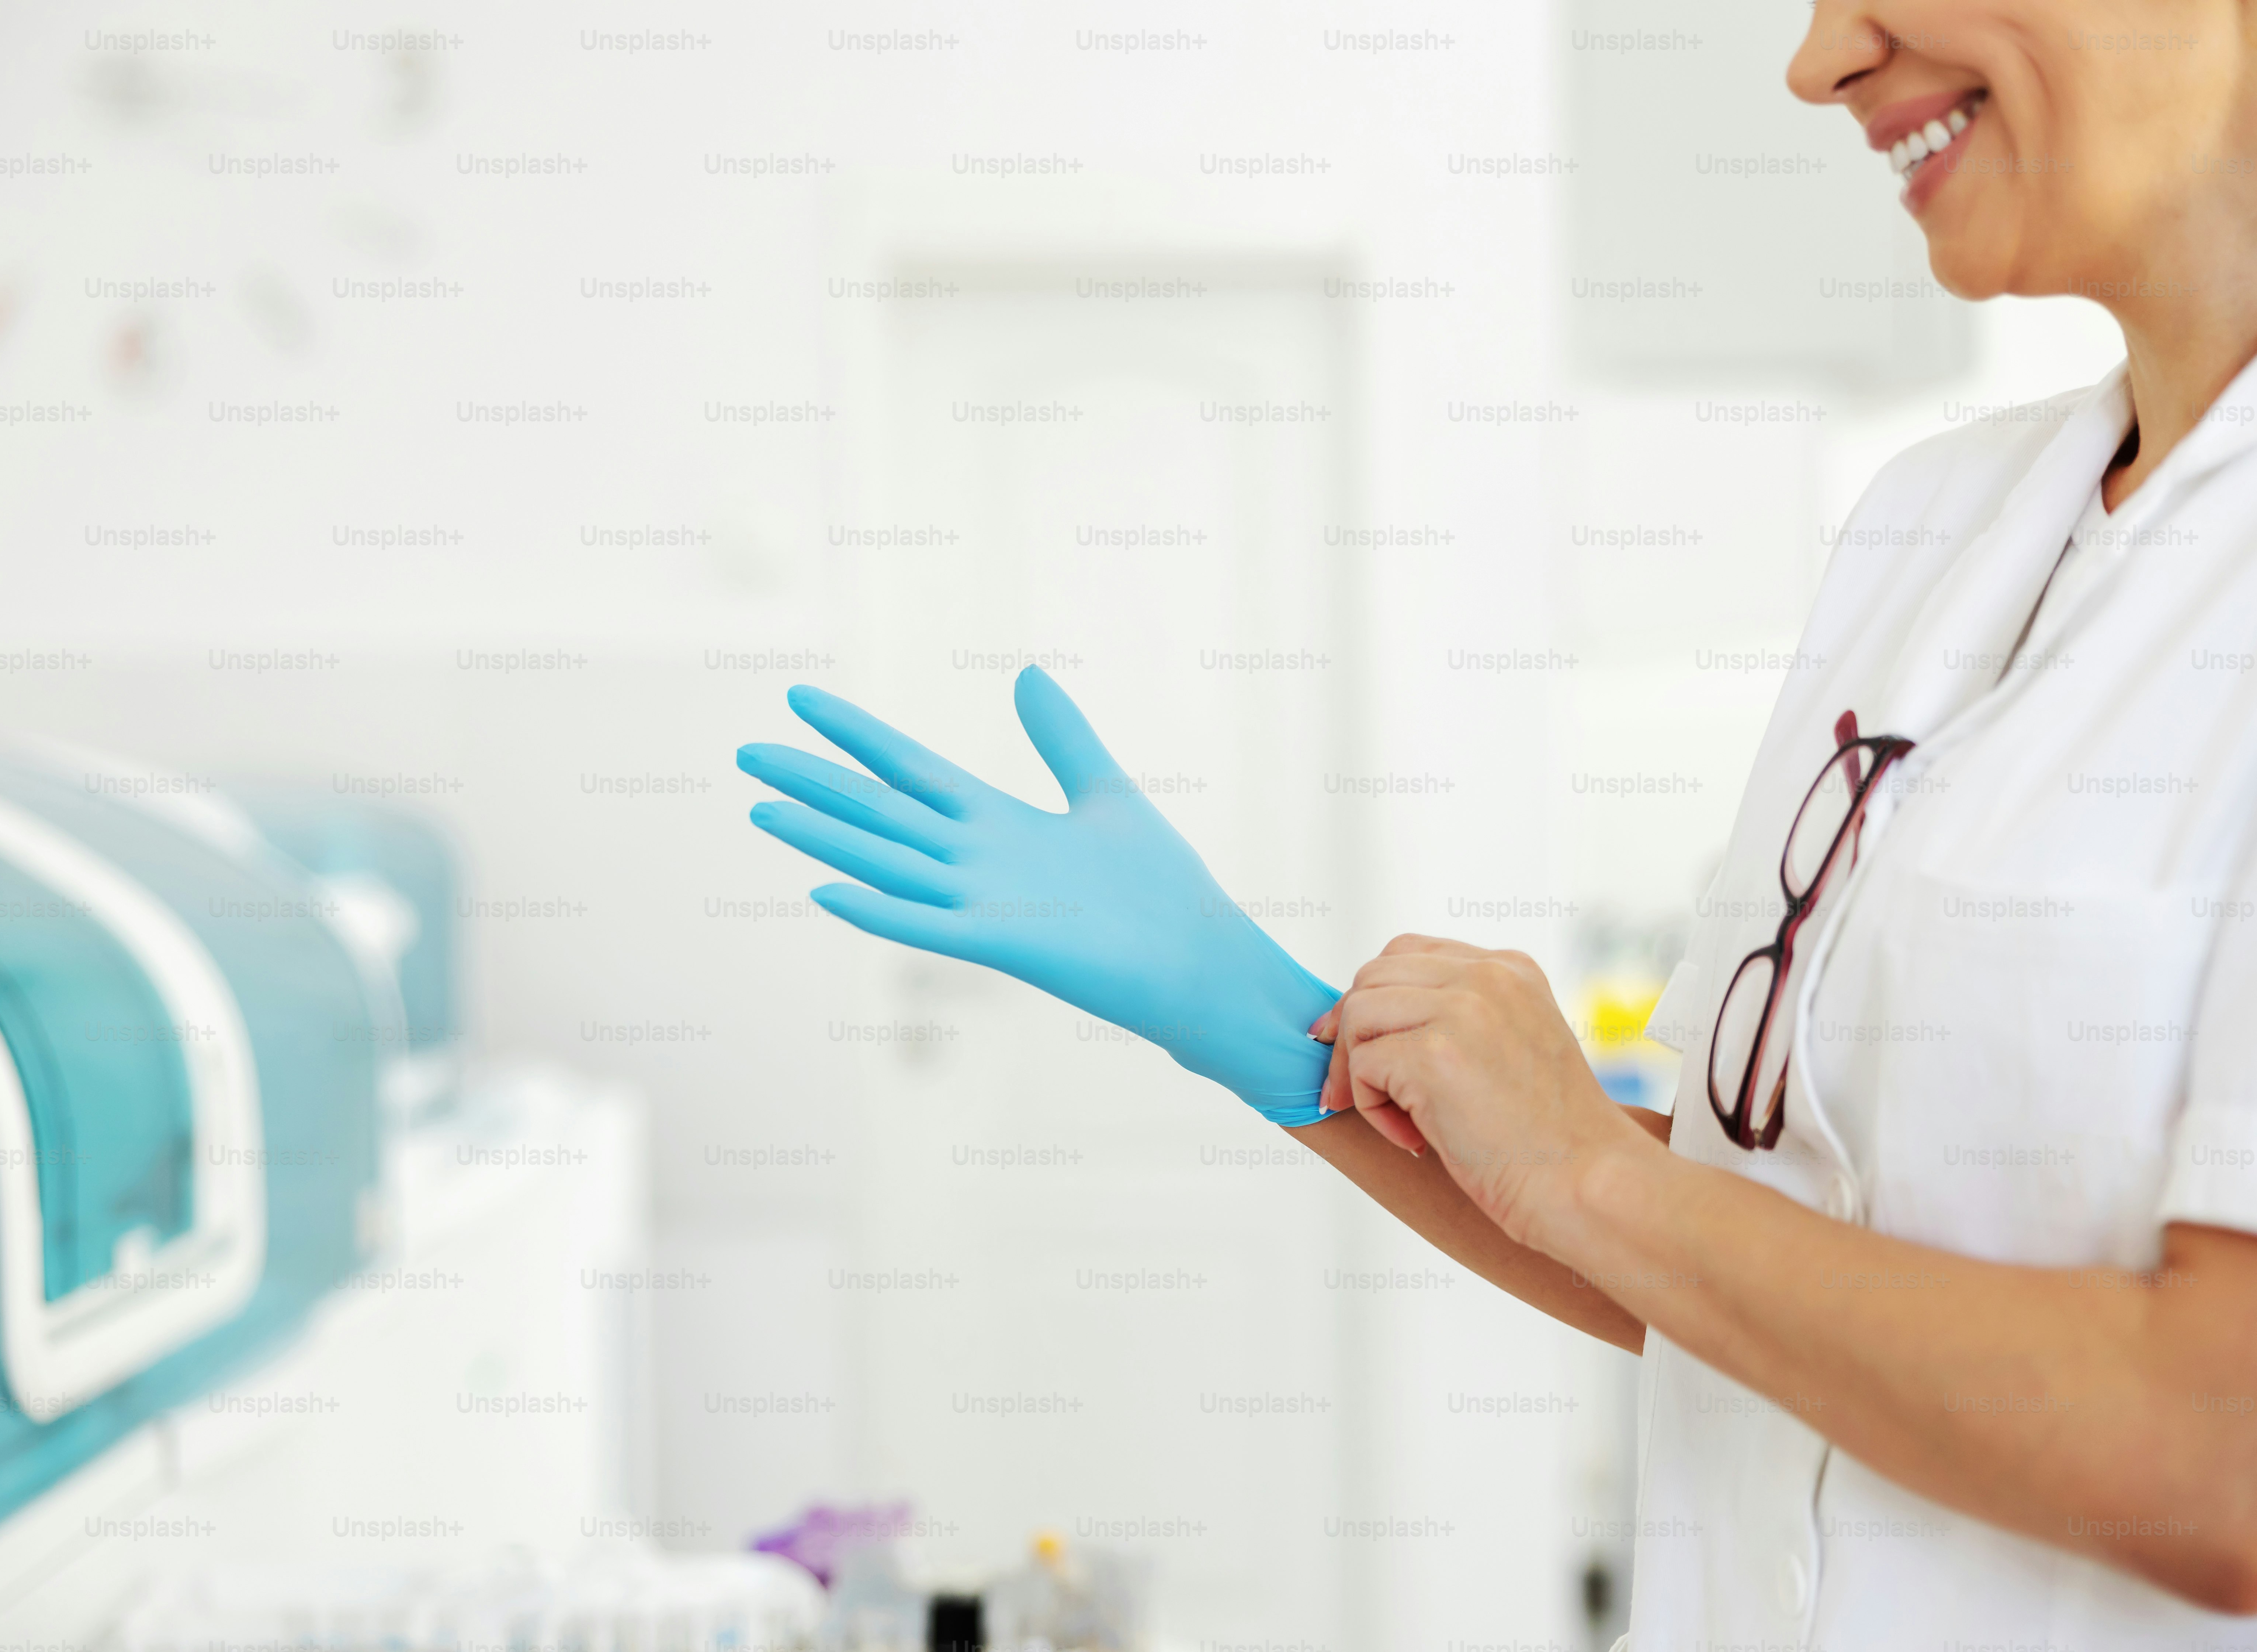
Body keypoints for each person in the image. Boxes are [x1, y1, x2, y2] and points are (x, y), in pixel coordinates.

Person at [742, 0, 2257, 1640]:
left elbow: (2221, 1455)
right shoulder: (1936, 524)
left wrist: (1593, 1176)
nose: (1819, 60)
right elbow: (1737, 1260)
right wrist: (1263, 1017)